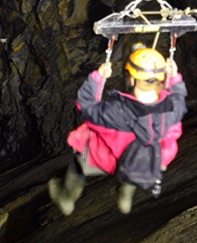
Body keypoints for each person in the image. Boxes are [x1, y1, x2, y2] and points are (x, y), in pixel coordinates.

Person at [48, 43, 187, 215]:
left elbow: (86, 105)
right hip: (155, 159)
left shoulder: (116, 113)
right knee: (138, 156)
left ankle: (66, 198)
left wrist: (98, 78)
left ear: (132, 79)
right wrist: (174, 78)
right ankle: (125, 197)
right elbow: (179, 95)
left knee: (80, 155)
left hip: (109, 161)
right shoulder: (174, 108)